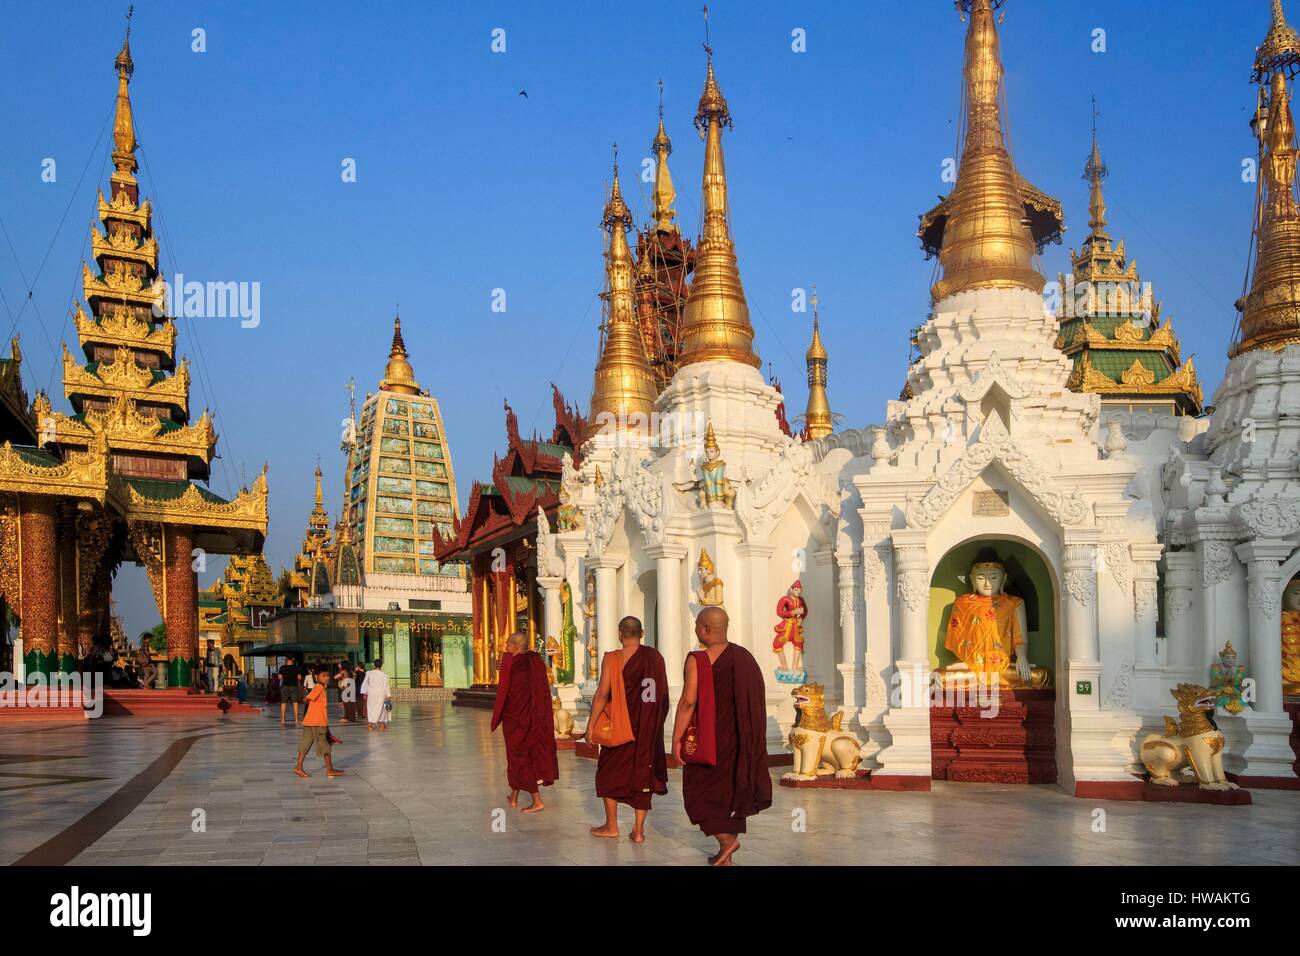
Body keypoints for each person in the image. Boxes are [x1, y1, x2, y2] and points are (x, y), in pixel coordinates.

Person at [672, 606, 771, 866]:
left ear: (704, 629)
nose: (696, 629)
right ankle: (725, 857)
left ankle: (727, 841)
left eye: (696, 625)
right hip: (738, 741)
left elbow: (688, 702)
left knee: (697, 793)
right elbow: (755, 700)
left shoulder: (697, 659)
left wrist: (676, 737)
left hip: (707, 742)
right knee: (731, 793)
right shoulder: (745, 658)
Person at [587, 616, 669, 843]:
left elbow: (602, 694)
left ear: (620, 634)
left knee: (608, 772)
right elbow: (661, 694)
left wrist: (590, 726)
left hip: (620, 727)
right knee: (643, 773)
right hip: (648, 728)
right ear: (641, 634)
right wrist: (656, 723)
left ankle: (611, 826)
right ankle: (639, 830)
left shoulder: (613, 659)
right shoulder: (655, 657)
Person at [490, 632, 558, 813]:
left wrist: (504, 666)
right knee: (517, 756)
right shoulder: (535, 661)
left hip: (518, 719)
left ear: (516, 646)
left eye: (507, 645)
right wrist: (504, 666)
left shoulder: (517, 663)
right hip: (533, 717)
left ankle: (537, 800)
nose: (506, 648)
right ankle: (513, 797)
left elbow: (508, 688)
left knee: (520, 756)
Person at [294, 665, 344, 779]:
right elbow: (306, 699)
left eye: (328, 675)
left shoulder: (320, 687)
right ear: (316, 676)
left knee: (305, 745)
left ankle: (298, 767)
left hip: (309, 721)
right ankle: (329, 769)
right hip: (318, 723)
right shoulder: (319, 687)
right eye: (323, 676)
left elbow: (307, 699)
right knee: (325, 746)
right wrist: (306, 696)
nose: (326, 678)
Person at [360, 659, 392, 731]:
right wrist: (388, 695)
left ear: (374, 665)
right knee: (382, 709)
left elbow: (365, 683)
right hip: (381, 693)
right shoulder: (384, 675)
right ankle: (382, 726)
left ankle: (370, 725)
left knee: (371, 708)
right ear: (381, 665)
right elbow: (386, 685)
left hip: (371, 694)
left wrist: (364, 692)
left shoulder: (369, 673)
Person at [279, 656, 302, 725]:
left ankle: (283, 720)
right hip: (294, 686)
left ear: (286, 659)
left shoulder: (282, 667)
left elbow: (280, 677)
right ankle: (296, 720)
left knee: (283, 702)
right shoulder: (297, 667)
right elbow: (299, 678)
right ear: (293, 659)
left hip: (285, 686)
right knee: (295, 703)